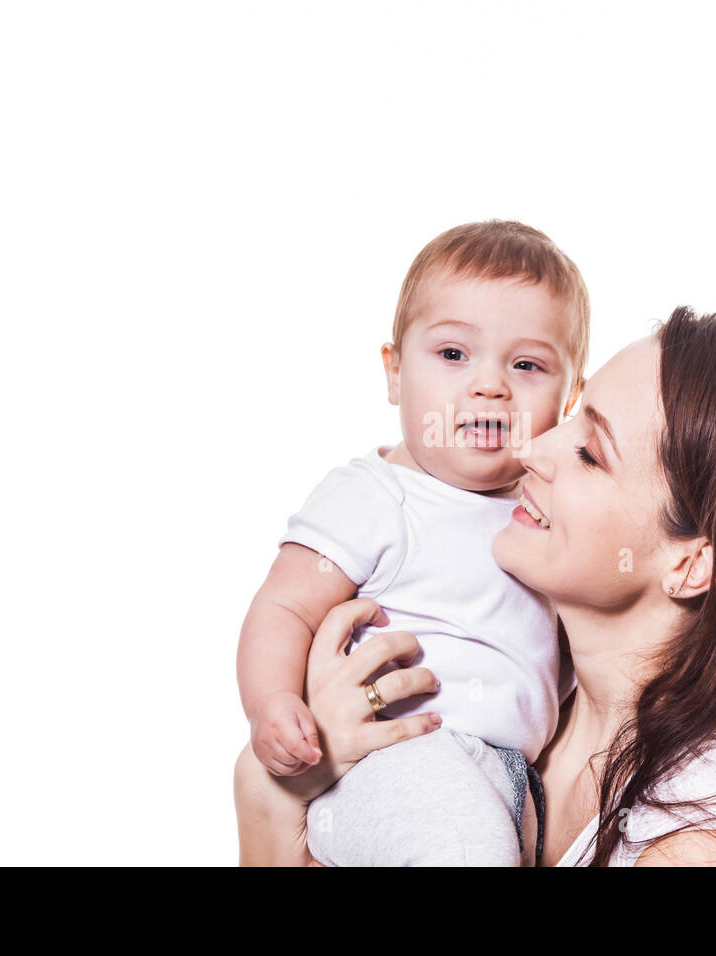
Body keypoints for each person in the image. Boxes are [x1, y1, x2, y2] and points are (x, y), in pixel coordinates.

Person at [235, 308, 716, 866]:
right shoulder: (507, 693)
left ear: (691, 562)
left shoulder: (707, 829)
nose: (531, 446)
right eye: (569, 414)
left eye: (589, 451)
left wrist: (270, 803)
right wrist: (289, 781)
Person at [235, 220, 590, 865]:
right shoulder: (377, 496)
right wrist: (275, 706)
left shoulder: (552, 512)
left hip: (509, 782)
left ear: (572, 400)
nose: (490, 385)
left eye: (528, 365)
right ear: (394, 373)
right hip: (394, 757)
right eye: (453, 355)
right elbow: (284, 606)